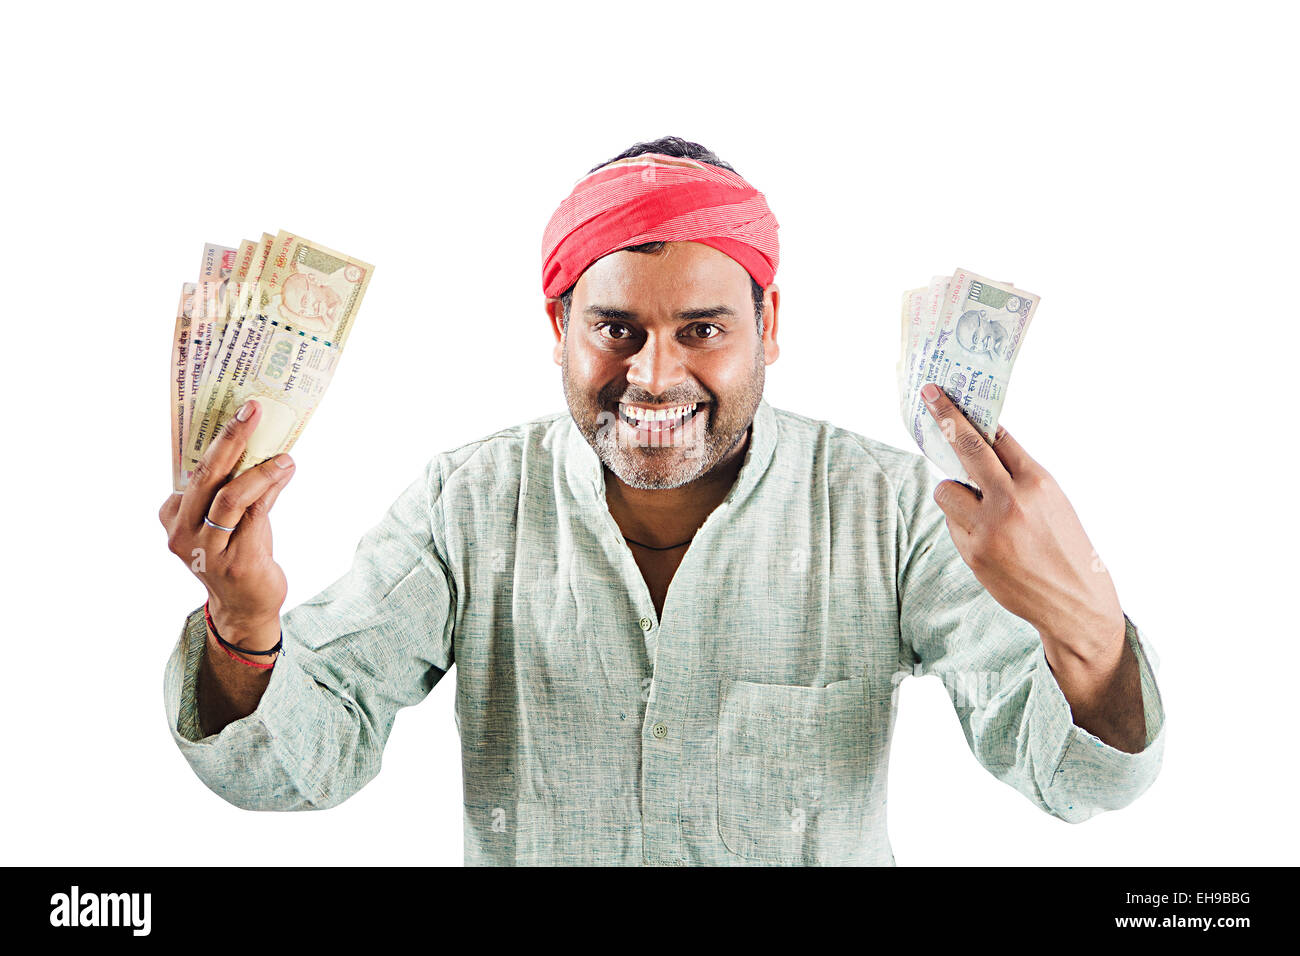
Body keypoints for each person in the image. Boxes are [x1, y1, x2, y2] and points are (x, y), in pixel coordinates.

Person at [158, 136, 1165, 866]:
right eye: (617, 330)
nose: (653, 377)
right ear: (557, 325)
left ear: (769, 326)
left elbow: (1075, 777)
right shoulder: (467, 504)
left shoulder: (888, 509)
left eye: (701, 329)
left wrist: (1078, 610)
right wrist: (244, 626)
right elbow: (295, 766)